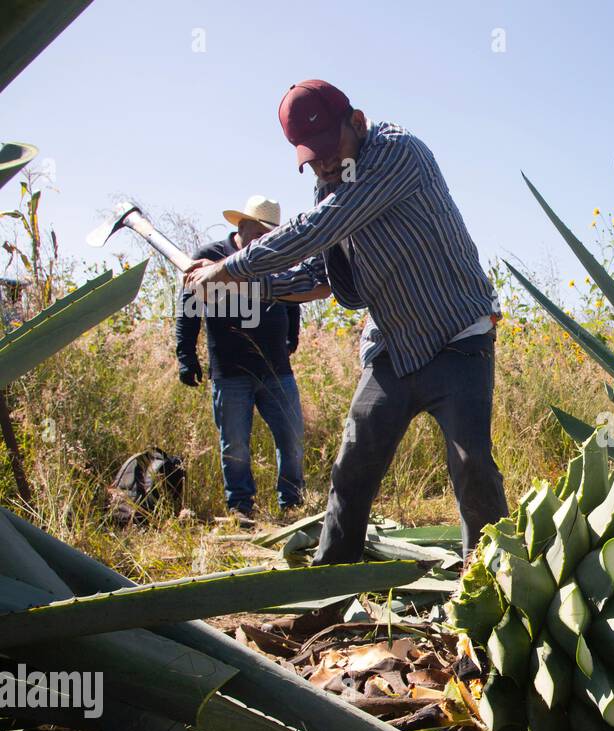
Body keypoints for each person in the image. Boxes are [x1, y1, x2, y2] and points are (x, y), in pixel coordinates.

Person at [184, 80, 507, 562]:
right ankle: (330, 593)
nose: (326, 164)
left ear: (357, 121)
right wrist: (240, 285)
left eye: (330, 148)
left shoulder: (398, 154)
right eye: (312, 159)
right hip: (394, 349)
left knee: (471, 466)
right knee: (352, 469)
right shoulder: (328, 189)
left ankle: (492, 591)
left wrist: (229, 267)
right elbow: (322, 274)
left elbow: (320, 228)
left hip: (458, 337)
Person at [176, 196, 306, 520]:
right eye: (260, 232)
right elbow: (189, 309)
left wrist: (293, 335)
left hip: (277, 369)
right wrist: (186, 355)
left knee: (291, 438)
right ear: (243, 225)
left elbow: (291, 297)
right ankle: (241, 510)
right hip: (230, 371)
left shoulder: (276, 257)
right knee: (234, 446)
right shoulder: (209, 258)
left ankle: (291, 505)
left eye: (270, 233)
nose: (265, 240)